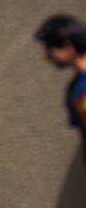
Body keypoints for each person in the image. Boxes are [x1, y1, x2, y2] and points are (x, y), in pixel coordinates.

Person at [34, 14, 86, 147]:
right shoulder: (74, 90)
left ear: (68, 47)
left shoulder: (80, 90)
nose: (47, 57)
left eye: (49, 50)